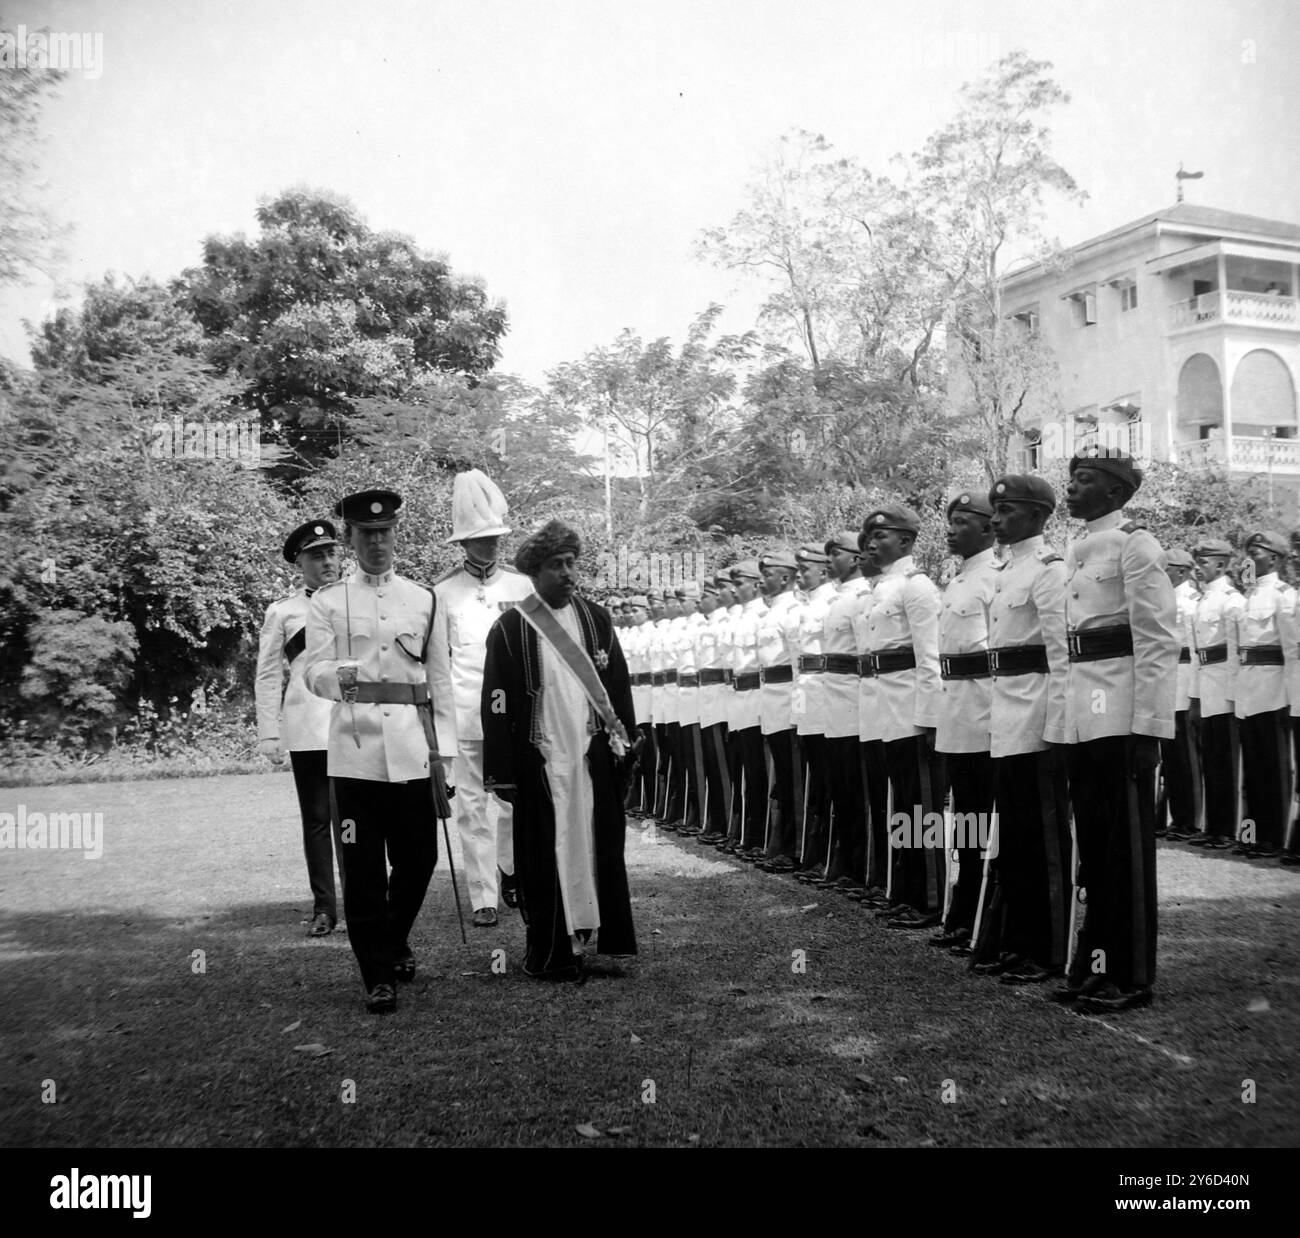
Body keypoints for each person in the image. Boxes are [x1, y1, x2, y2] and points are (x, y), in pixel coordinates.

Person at [303, 489, 456, 1014]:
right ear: (350, 539)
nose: (376, 543)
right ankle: (377, 974)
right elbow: (312, 669)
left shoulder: (424, 599)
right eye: (366, 535)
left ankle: (391, 940)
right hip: (355, 751)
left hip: (414, 748)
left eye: (384, 533)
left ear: (396, 535)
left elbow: (441, 681)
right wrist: (333, 678)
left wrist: (448, 754)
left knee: (420, 859)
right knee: (363, 868)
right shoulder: (327, 603)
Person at [481, 520, 638, 980]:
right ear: (535, 573)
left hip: (590, 758)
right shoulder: (511, 628)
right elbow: (495, 703)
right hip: (542, 761)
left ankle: (591, 934)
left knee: (595, 847)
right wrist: (502, 771)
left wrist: (625, 745)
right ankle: (552, 950)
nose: (568, 573)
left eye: (572, 563)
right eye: (556, 566)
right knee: (547, 852)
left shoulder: (596, 619)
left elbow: (618, 688)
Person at [1058, 447, 1179, 1014]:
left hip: (1123, 716)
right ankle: (1094, 962)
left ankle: (1130, 975)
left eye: (1084, 481)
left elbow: (1156, 641)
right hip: (1085, 715)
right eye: (1072, 480)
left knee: (1124, 850)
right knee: (1097, 850)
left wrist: (1148, 728)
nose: (1073, 489)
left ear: (1114, 491)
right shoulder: (1078, 548)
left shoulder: (1137, 544)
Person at [976, 477, 1071, 985]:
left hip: (1035, 719)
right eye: (994, 510)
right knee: (1013, 836)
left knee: (1041, 839)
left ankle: (1047, 948)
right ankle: (1016, 938)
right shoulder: (1004, 570)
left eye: (1007, 510)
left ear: (1037, 516)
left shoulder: (1050, 571)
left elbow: (1060, 659)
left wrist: (1057, 728)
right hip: (1004, 717)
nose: (996, 520)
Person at [432, 469, 534, 927]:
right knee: (471, 806)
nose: (489, 545)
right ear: (462, 544)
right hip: (466, 713)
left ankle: (511, 870)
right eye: (479, 538)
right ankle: (482, 896)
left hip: (512, 716)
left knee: (513, 802)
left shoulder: (521, 588)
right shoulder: (442, 593)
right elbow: (437, 665)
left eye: (494, 536)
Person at [255, 519, 346, 936]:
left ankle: (364, 900)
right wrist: (268, 732)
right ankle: (325, 906)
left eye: (330, 552)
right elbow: (268, 674)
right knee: (317, 820)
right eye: (316, 555)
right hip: (309, 727)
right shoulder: (284, 611)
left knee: (358, 817)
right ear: (300, 563)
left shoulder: (354, 600)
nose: (326, 561)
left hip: (354, 724)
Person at [858, 506, 943, 929]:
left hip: (911, 710)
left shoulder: (918, 586)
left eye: (882, 536)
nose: (872, 543)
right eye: (869, 537)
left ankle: (928, 897)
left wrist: (929, 719)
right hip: (885, 710)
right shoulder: (883, 587)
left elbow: (930, 659)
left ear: (906, 541)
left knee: (921, 808)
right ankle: (906, 891)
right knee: (901, 806)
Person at [931, 493, 999, 954]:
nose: (951, 530)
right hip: (956, 710)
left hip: (987, 710)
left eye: (960, 522)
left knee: (988, 820)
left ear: (988, 528)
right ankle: (963, 910)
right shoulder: (956, 582)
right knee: (966, 822)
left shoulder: (994, 579)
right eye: (950, 522)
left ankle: (984, 915)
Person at [1233, 530, 1296, 860]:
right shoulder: (1248, 597)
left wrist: (1290, 698)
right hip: (1248, 693)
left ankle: (1272, 839)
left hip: (1272, 694)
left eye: (1255, 553)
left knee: (1272, 770)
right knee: (1252, 772)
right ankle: (1250, 835)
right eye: (1247, 552)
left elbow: (1292, 652)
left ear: (1274, 558)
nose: (1249, 558)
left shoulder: (1284, 596)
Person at [820, 531, 871, 893]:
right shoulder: (838, 599)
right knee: (841, 789)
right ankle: (847, 865)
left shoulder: (861, 598)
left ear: (854, 558)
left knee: (857, 792)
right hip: (835, 706)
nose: (829, 561)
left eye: (835, 554)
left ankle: (860, 868)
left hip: (857, 705)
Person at [1185, 539, 1243, 850]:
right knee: (1212, 762)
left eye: (1204, 561)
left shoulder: (1231, 601)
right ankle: (1213, 827)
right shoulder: (1203, 600)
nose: (1197, 566)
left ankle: (1228, 831)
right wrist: (1195, 698)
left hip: (1226, 691)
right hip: (1207, 689)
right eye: (1196, 560)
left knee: (1226, 763)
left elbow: (1236, 652)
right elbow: (1197, 655)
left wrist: (1236, 699)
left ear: (1221, 565)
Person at [1159, 548, 1203, 842]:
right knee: (1172, 756)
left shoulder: (1191, 602)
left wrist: (1196, 692)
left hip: (1185, 676)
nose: (1163, 574)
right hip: (1168, 678)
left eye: (1168, 569)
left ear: (1182, 571)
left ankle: (1189, 820)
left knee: (1185, 755)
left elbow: (1198, 651)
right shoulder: (1167, 599)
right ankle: (1176, 817)